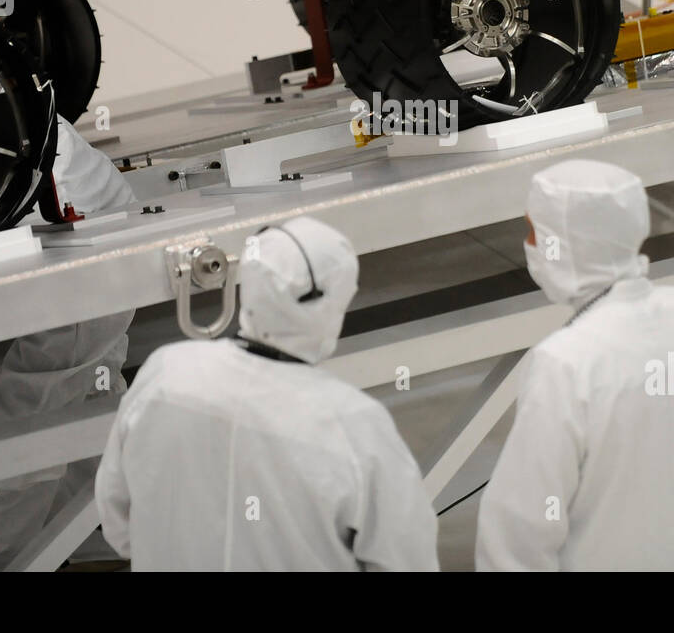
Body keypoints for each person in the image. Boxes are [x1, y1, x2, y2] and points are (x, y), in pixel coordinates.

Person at [476, 159, 674, 571]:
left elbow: (519, 533)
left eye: (533, 231)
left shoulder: (565, 363)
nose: (528, 244)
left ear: (561, 243)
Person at [95, 216, 438, 571]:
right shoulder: (353, 422)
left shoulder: (166, 372)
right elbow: (406, 559)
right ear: (328, 305)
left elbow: (118, 524)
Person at [0, 117, 138, 570]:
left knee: (34, 405)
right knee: (90, 391)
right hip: (96, 233)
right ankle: (109, 530)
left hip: (84, 245)